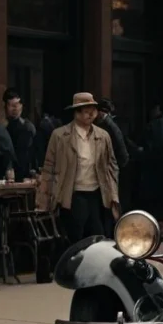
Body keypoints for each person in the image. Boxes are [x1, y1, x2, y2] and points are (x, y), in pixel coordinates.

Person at [35, 92, 120, 245]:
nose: (91, 114)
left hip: (97, 192)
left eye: (93, 110)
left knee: (98, 236)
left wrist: (113, 191)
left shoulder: (102, 135)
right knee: (75, 236)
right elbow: (49, 167)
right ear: (76, 113)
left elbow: (112, 164)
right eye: (86, 111)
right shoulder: (60, 135)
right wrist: (44, 200)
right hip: (72, 193)